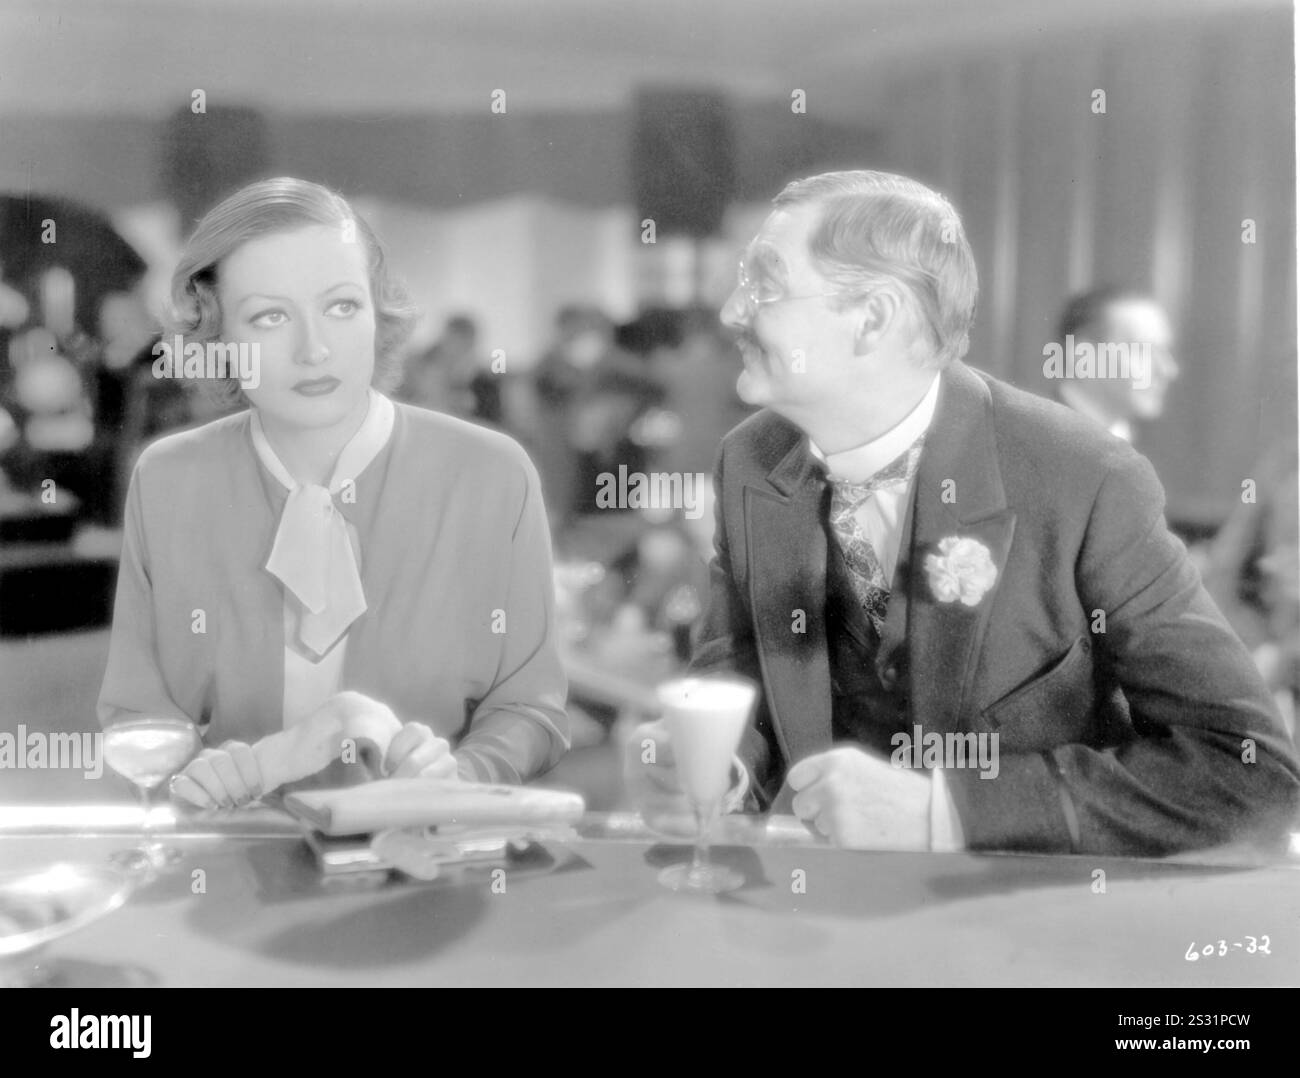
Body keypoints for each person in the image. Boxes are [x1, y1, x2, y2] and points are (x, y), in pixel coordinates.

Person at [627, 169, 1300, 857]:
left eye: (762, 282)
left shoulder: (1085, 478)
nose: (731, 310)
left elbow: (1251, 768)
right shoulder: (751, 458)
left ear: (873, 317)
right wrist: (719, 766)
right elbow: (737, 667)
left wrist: (945, 812)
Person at [98, 177, 569, 808]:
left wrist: (463, 776)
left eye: (342, 307)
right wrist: (208, 783)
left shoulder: (492, 474)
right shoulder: (168, 479)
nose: (314, 349)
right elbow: (138, 717)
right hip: (233, 871)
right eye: (270, 317)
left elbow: (530, 705)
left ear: (379, 314)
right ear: (219, 338)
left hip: (425, 866)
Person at [1050, 286, 1180, 444]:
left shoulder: (1154, 446)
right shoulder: (1040, 439)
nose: (1166, 370)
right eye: (1141, 350)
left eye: (1164, 350)